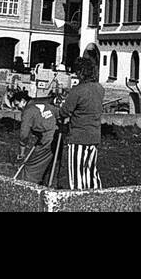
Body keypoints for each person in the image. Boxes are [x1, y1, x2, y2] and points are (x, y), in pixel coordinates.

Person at [58, 56, 104, 189]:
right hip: (94, 136)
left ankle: (78, 203)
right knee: (91, 173)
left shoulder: (77, 90)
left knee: (77, 176)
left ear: (80, 73)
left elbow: (64, 112)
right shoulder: (99, 88)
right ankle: (97, 200)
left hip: (79, 137)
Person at [13, 89, 59, 186]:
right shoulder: (43, 104)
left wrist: (21, 153)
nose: (18, 108)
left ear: (23, 101)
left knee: (31, 167)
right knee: (48, 165)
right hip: (57, 135)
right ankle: (45, 184)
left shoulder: (27, 111)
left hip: (48, 138)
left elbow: (24, 135)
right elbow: (58, 114)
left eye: (17, 105)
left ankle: (27, 187)